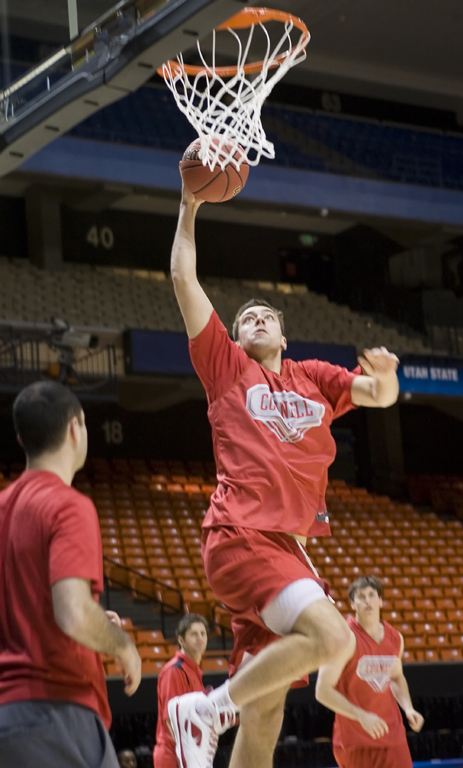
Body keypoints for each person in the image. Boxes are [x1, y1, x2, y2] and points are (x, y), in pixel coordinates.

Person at [167, 181, 400, 768]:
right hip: (241, 534)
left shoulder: (312, 376)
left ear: (284, 334)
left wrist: (389, 377)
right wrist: (189, 209)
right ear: (239, 338)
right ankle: (205, 710)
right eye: (247, 318)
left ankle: (226, 710)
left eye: (267, 314)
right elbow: (183, 280)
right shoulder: (226, 369)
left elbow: (377, 393)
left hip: (287, 549)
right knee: (336, 638)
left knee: (266, 715)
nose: (257, 320)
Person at [0, 381, 141, 768]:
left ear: (21, 437)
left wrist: (97, 624)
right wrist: (122, 646)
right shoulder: (67, 505)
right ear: (75, 429)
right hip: (56, 713)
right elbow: (74, 614)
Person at [316, 576, 424, 768]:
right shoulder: (343, 638)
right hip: (355, 740)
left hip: (392, 735)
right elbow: (322, 691)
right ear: (353, 604)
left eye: (372, 595)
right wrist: (361, 716)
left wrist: (408, 707)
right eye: (361, 596)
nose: (367, 600)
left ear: (381, 601)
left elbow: (397, 677)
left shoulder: (395, 638)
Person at [154, 614, 209, 768]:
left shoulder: (194, 671)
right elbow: (171, 719)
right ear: (181, 640)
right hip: (174, 757)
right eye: (194, 634)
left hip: (189, 755)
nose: (200, 638)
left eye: (203, 633)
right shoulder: (174, 671)